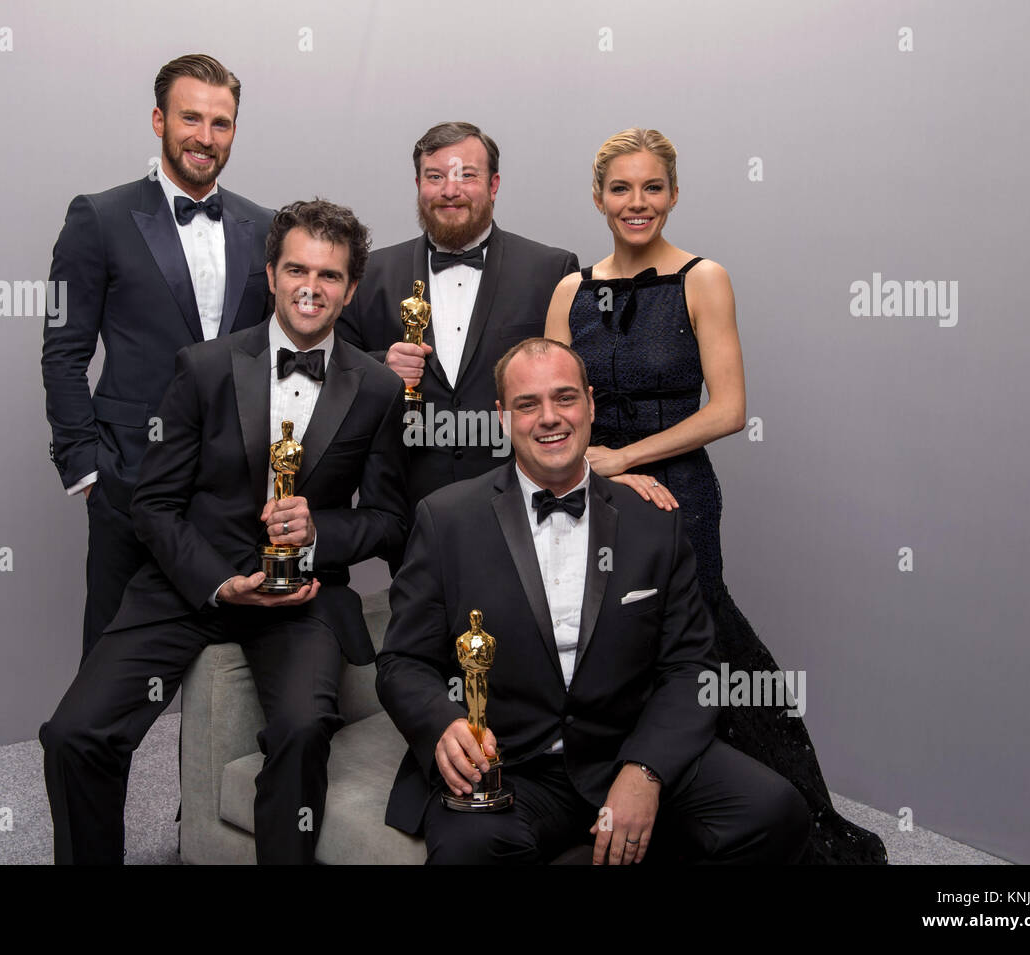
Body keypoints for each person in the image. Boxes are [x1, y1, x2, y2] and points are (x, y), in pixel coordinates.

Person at [544, 128, 887, 864]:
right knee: (613, 639)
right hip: (594, 487)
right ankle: (643, 805)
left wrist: (624, 458)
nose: (638, 204)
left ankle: (784, 819)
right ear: (598, 197)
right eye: (621, 189)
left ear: (674, 192)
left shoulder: (704, 277)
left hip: (677, 491)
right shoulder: (570, 289)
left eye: (653, 188)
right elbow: (551, 399)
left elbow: (728, 408)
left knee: (697, 643)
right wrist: (595, 467)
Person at [39, 199, 408, 865]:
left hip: (300, 601)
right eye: (296, 268)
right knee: (74, 732)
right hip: (191, 581)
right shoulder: (203, 367)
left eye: (329, 276)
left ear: (350, 289)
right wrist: (217, 581)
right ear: (270, 274)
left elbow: (388, 520)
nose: (310, 287)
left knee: (301, 730)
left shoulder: (378, 388)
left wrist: (318, 530)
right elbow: (152, 505)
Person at [375, 338, 811, 864]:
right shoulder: (446, 520)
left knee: (774, 809)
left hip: (624, 748)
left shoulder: (654, 520)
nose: (549, 418)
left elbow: (692, 667)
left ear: (590, 404)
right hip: (509, 764)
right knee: (469, 850)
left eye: (565, 398)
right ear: (501, 416)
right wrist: (443, 724)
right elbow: (402, 661)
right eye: (527, 404)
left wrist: (646, 770)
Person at [42, 53, 274, 661]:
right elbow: (63, 352)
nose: (205, 137)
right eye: (190, 118)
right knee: (107, 675)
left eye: (220, 123)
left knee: (223, 676)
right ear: (158, 120)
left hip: (229, 490)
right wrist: (88, 470)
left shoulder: (266, 226)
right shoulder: (98, 217)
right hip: (128, 478)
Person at [338, 122, 579, 509]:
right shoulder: (370, 275)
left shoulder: (551, 271)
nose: (450, 191)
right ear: (418, 183)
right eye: (436, 177)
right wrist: (381, 366)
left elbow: (577, 386)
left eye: (467, 176)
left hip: (523, 501)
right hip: (406, 506)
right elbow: (332, 373)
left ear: (493, 185)